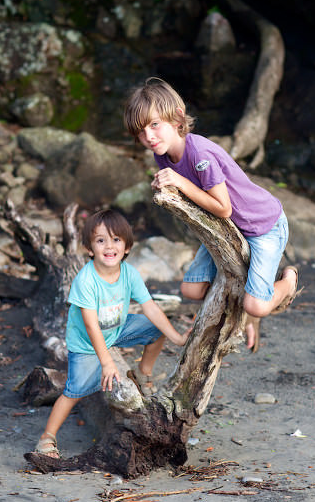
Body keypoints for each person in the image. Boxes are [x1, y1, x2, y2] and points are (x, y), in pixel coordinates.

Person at [123, 77, 299, 351]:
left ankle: (285, 284)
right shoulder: (163, 154)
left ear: (178, 118)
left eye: (155, 124)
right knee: (191, 290)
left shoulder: (199, 154)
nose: (149, 137)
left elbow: (223, 207)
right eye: (141, 131)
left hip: (263, 225)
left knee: (256, 304)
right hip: (226, 229)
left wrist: (180, 183)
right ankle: (242, 314)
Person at [34, 208, 189, 459]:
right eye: (100, 240)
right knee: (74, 391)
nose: (109, 246)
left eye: (116, 239)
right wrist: (106, 362)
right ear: (89, 247)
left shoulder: (129, 273)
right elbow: (91, 325)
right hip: (86, 343)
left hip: (117, 329)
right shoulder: (86, 280)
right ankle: (46, 438)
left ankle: (144, 373)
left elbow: (150, 307)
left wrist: (177, 337)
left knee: (155, 330)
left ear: (127, 247)